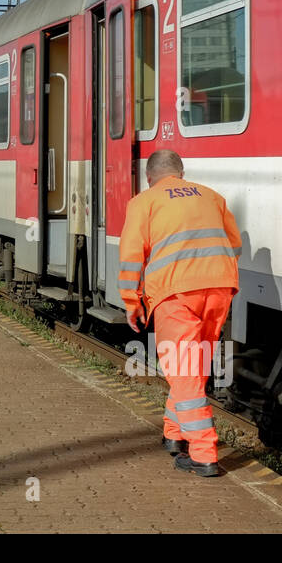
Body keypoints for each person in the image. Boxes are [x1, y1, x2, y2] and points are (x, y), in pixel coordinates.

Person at [117, 149, 241, 478]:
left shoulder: (144, 202)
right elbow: (235, 244)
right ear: (181, 173)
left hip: (175, 293)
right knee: (192, 366)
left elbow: (131, 257)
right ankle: (174, 434)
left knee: (184, 369)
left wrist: (132, 301)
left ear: (149, 177)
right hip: (219, 288)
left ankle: (203, 453)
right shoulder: (212, 196)